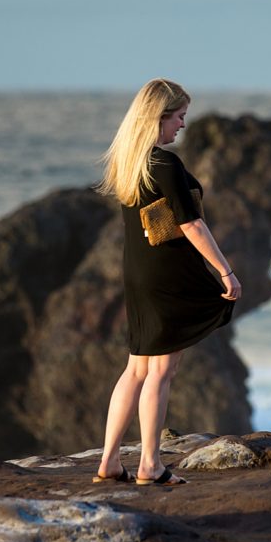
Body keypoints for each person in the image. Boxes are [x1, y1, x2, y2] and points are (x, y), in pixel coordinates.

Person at [92, 79, 242, 487]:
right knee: (162, 371)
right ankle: (150, 465)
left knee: (136, 368)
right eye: (178, 117)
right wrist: (225, 271)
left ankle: (108, 461)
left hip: (138, 273)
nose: (182, 126)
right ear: (158, 117)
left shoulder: (129, 161)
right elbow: (191, 224)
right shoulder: (164, 164)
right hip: (166, 274)